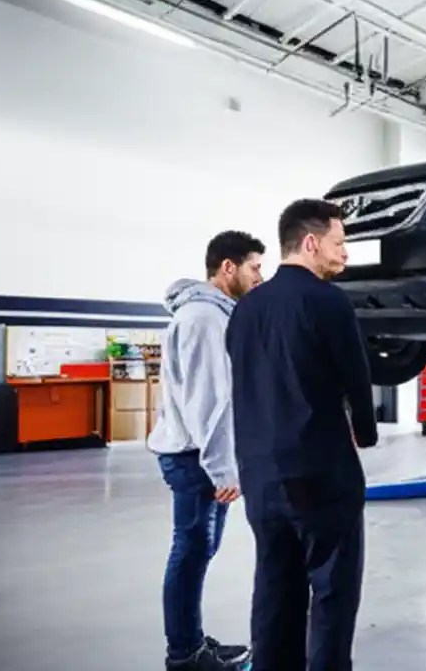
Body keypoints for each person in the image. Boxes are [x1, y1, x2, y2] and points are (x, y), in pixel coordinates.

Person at [226, 199, 379, 671]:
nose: (345, 253)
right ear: (310, 243)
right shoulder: (329, 302)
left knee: (274, 593)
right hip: (321, 477)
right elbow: (357, 379)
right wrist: (366, 434)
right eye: (339, 242)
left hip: (260, 479)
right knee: (331, 598)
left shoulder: (244, 310)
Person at [148, 230, 266, 669]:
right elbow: (210, 403)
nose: (260, 276)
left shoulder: (217, 314)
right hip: (195, 459)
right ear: (228, 267)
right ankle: (184, 654)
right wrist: (223, 471)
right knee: (191, 550)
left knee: (199, 550)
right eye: (255, 267)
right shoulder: (204, 318)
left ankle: (191, 640)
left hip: (199, 457)